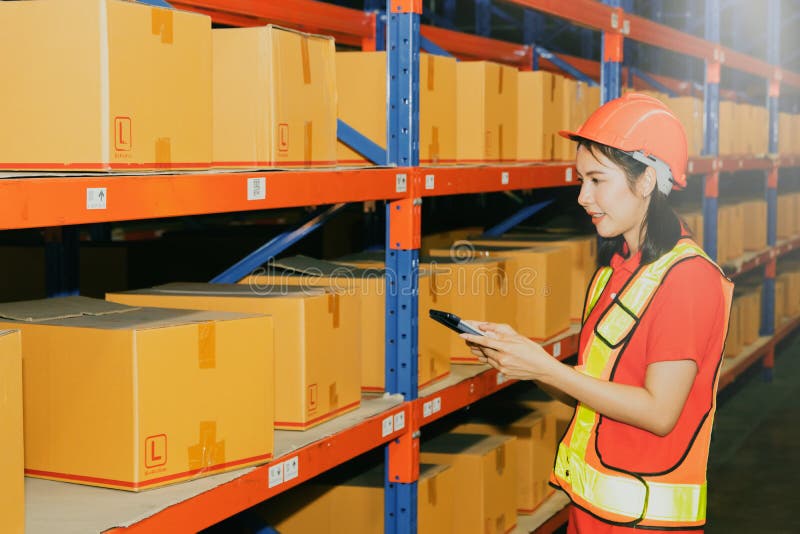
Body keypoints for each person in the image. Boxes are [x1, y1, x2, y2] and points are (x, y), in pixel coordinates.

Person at [460, 93, 733, 533]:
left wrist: (547, 367)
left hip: (644, 525)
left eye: (597, 180)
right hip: (591, 515)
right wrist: (527, 362)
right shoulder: (616, 272)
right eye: (580, 180)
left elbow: (660, 412)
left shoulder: (687, 279)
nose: (583, 196)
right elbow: (591, 392)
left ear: (646, 181)